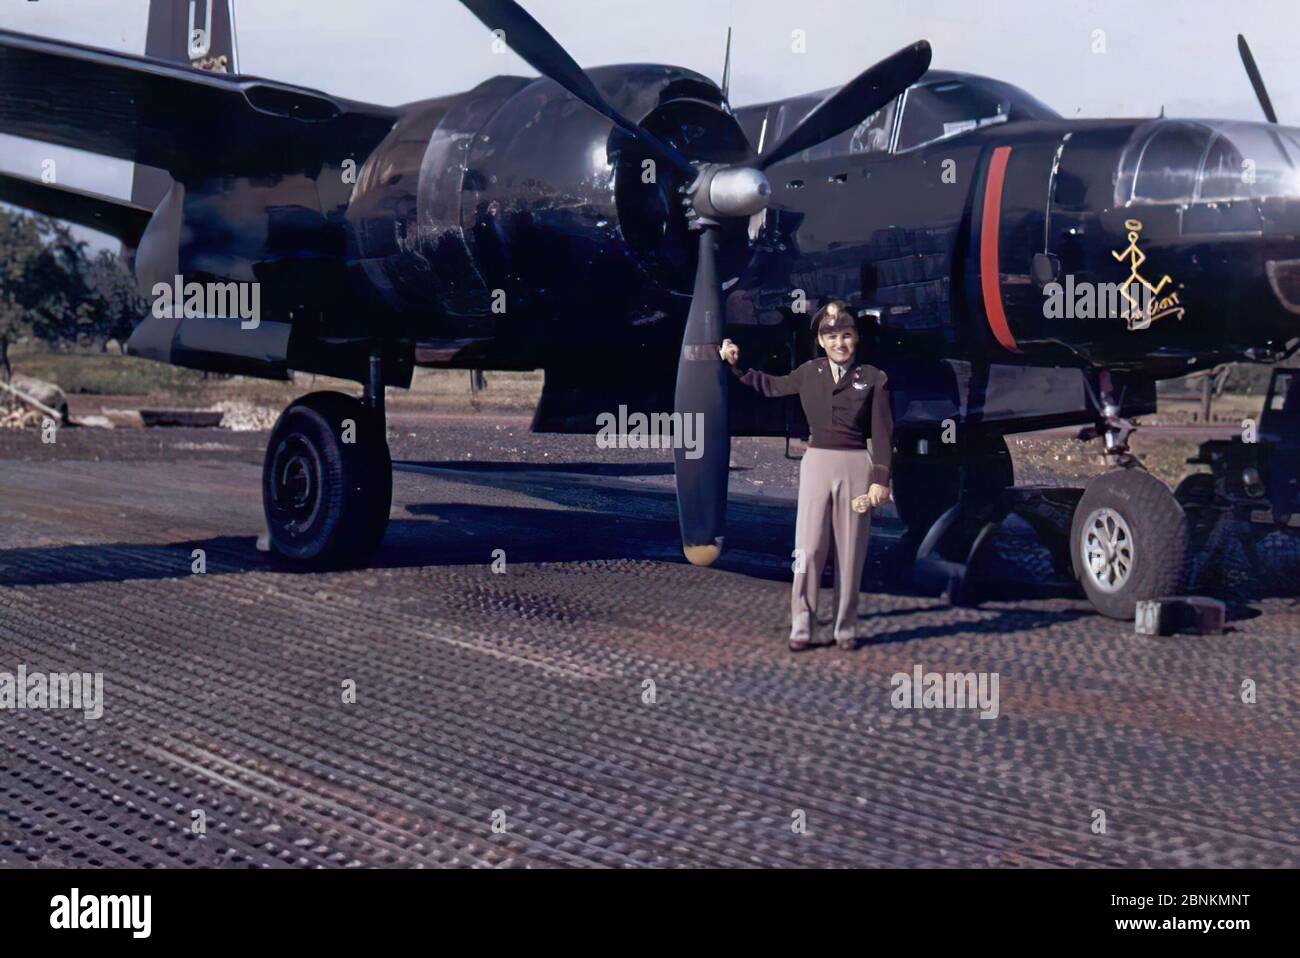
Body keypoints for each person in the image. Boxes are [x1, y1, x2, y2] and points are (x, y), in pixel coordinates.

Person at [720, 301, 893, 651]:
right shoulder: (808, 372)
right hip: (817, 463)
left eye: (846, 336)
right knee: (809, 548)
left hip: (857, 464)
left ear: (856, 338)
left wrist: (880, 479)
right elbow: (770, 386)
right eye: (831, 337)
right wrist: (735, 366)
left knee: (851, 551)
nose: (839, 344)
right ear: (820, 340)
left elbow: (883, 432)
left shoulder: (874, 378)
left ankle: (845, 627)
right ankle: (802, 623)